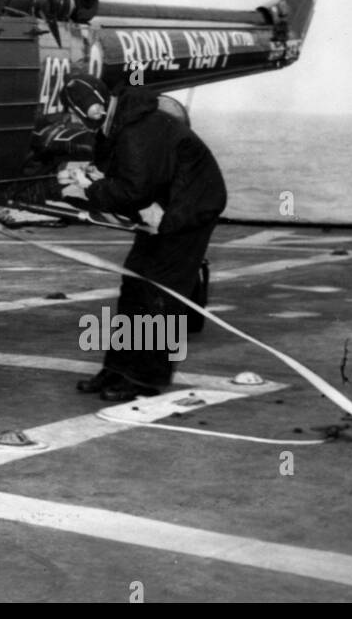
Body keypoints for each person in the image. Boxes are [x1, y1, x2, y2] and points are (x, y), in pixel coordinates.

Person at [58, 74, 227, 402]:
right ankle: (119, 368)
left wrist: (87, 189)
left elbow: (133, 190)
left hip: (187, 214)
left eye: (80, 111)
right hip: (161, 210)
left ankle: (146, 379)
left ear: (92, 108)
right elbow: (129, 177)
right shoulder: (121, 122)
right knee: (134, 285)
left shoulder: (136, 129)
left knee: (159, 295)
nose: (81, 117)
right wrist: (93, 178)